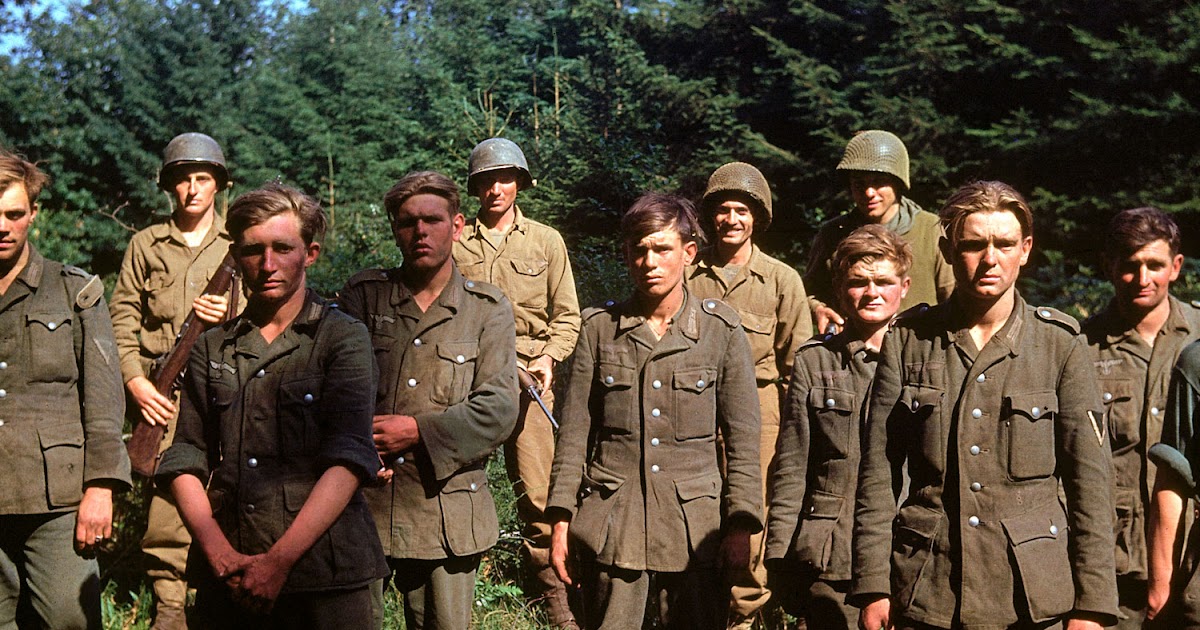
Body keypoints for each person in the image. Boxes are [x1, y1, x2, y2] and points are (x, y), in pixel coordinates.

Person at [852, 180, 1118, 630]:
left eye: (1005, 243)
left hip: (1031, 597)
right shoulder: (909, 340)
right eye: (974, 245)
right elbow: (879, 473)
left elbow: (1089, 483)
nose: (990, 259)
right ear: (948, 250)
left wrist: (1092, 606)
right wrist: (874, 584)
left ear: (1026, 249)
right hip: (928, 591)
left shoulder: (1059, 344)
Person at [155, 183, 387, 628]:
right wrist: (219, 555)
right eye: (252, 250)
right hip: (231, 575)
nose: (267, 265)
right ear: (235, 257)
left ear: (311, 253)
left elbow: (350, 457)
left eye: (283, 248)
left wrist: (278, 562)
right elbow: (186, 455)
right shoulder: (213, 348)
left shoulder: (342, 338)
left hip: (325, 577)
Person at [547, 192, 762, 630]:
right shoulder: (599, 331)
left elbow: (742, 440)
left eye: (662, 249)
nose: (649, 262)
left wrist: (741, 525)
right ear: (626, 254)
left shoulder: (720, 330)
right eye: (639, 249)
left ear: (688, 253)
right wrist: (561, 519)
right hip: (613, 525)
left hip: (694, 532)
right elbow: (573, 436)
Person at [340, 171, 518, 630]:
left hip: (446, 510)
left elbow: (499, 407)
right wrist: (357, 449)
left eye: (433, 220)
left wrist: (418, 431)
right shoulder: (364, 297)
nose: (420, 231)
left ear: (457, 225)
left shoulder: (488, 309)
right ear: (395, 229)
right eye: (407, 222)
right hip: (365, 501)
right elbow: (334, 392)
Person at [108, 132, 236, 628]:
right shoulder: (146, 245)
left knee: (229, 490)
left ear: (219, 185)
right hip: (163, 394)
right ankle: (169, 607)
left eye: (203, 178)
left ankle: (225, 598)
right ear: (168, 187)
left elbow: (268, 312)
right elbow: (119, 322)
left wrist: (230, 311)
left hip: (226, 389)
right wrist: (136, 383)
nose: (192, 189)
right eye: (182, 179)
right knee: (166, 505)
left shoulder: (238, 244)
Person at [451, 137, 580, 627]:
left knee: (542, 497)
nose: (495, 188)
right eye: (486, 180)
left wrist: (548, 359)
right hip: (467, 378)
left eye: (505, 178)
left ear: (520, 183)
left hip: (531, 379)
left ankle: (559, 606)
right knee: (456, 483)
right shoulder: (458, 241)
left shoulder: (546, 242)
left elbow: (567, 317)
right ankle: (459, 592)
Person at [0, 148, 132, 628]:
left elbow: (102, 399)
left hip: (57, 498)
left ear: (33, 214)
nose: (3, 226)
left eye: (15, 214)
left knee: (68, 619)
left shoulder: (74, 290)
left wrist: (101, 486)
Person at [684, 161, 811, 629]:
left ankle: (744, 617)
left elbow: (799, 365)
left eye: (741, 210)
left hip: (762, 411)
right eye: (722, 210)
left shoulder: (781, 281)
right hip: (695, 407)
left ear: (757, 218)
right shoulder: (689, 276)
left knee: (750, 516)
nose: (731, 219)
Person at [766, 224, 911, 630]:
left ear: (904, 286)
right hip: (833, 553)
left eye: (883, 281)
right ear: (838, 286)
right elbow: (793, 465)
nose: (871, 293)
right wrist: (779, 555)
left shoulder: (925, 361)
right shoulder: (816, 361)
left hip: (907, 551)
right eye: (858, 282)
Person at [1080, 207, 1200, 628]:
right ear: (1110, 266)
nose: (1143, 278)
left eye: (1155, 265)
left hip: (1191, 565)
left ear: (1177, 267)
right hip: (1111, 569)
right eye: (1130, 266)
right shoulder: (1081, 349)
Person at [804, 130, 953, 333]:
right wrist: (818, 309)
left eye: (878, 181)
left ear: (897, 182)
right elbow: (808, 293)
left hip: (919, 350)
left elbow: (954, 297)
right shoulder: (833, 234)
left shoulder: (930, 229)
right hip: (851, 353)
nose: (869, 193)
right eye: (859, 184)